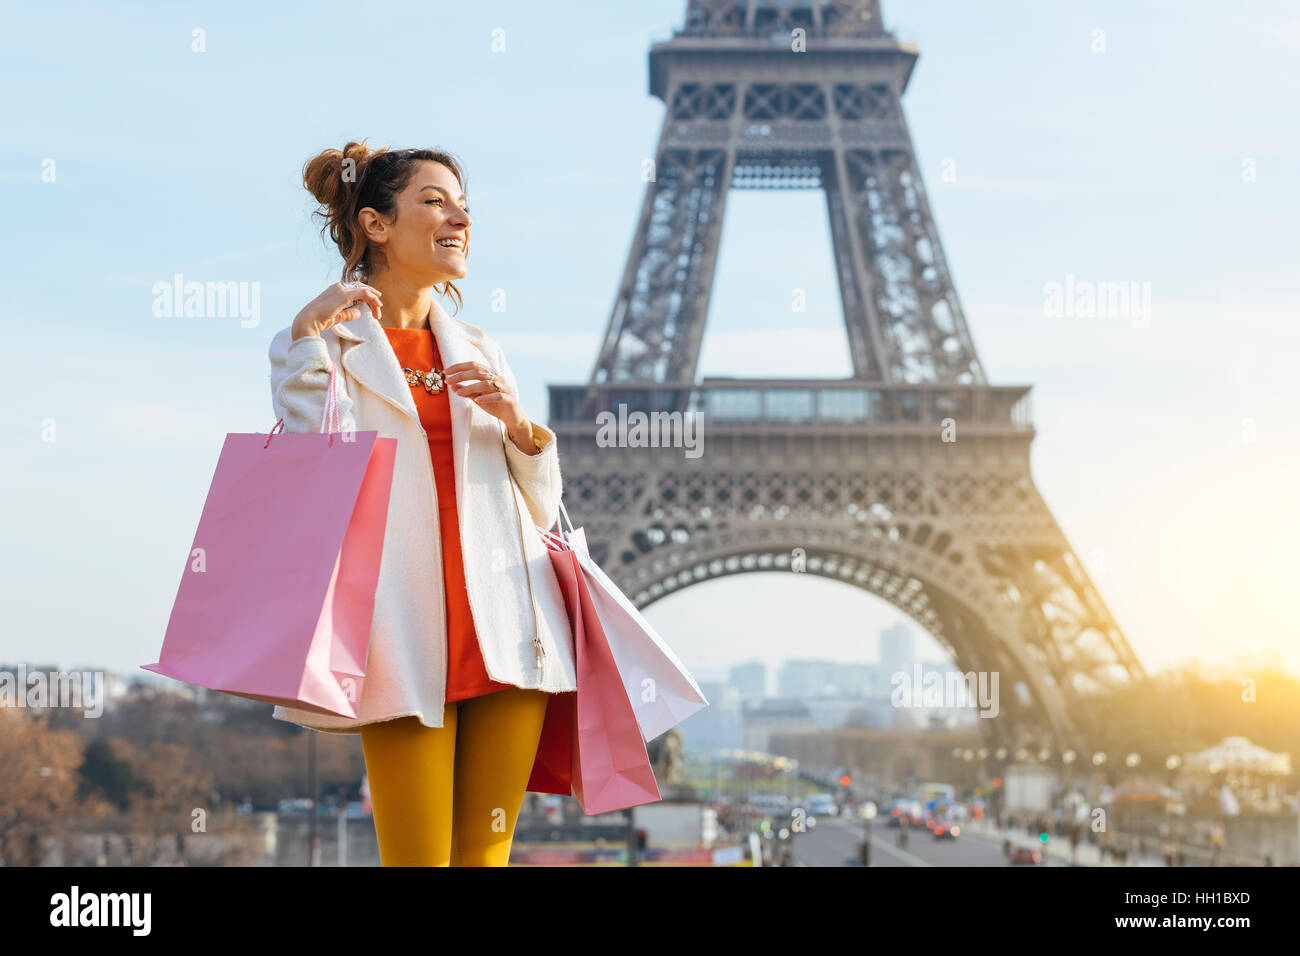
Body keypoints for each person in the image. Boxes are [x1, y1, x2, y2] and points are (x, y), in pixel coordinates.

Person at [268, 141, 578, 865]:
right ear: (375, 225)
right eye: (435, 200)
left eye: (463, 202)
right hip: (403, 635)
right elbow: (313, 477)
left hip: (508, 629)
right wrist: (308, 341)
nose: (460, 216)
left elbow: (537, 511)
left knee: (484, 862)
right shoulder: (325, 345)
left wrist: (521, 427)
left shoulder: (480, 349)